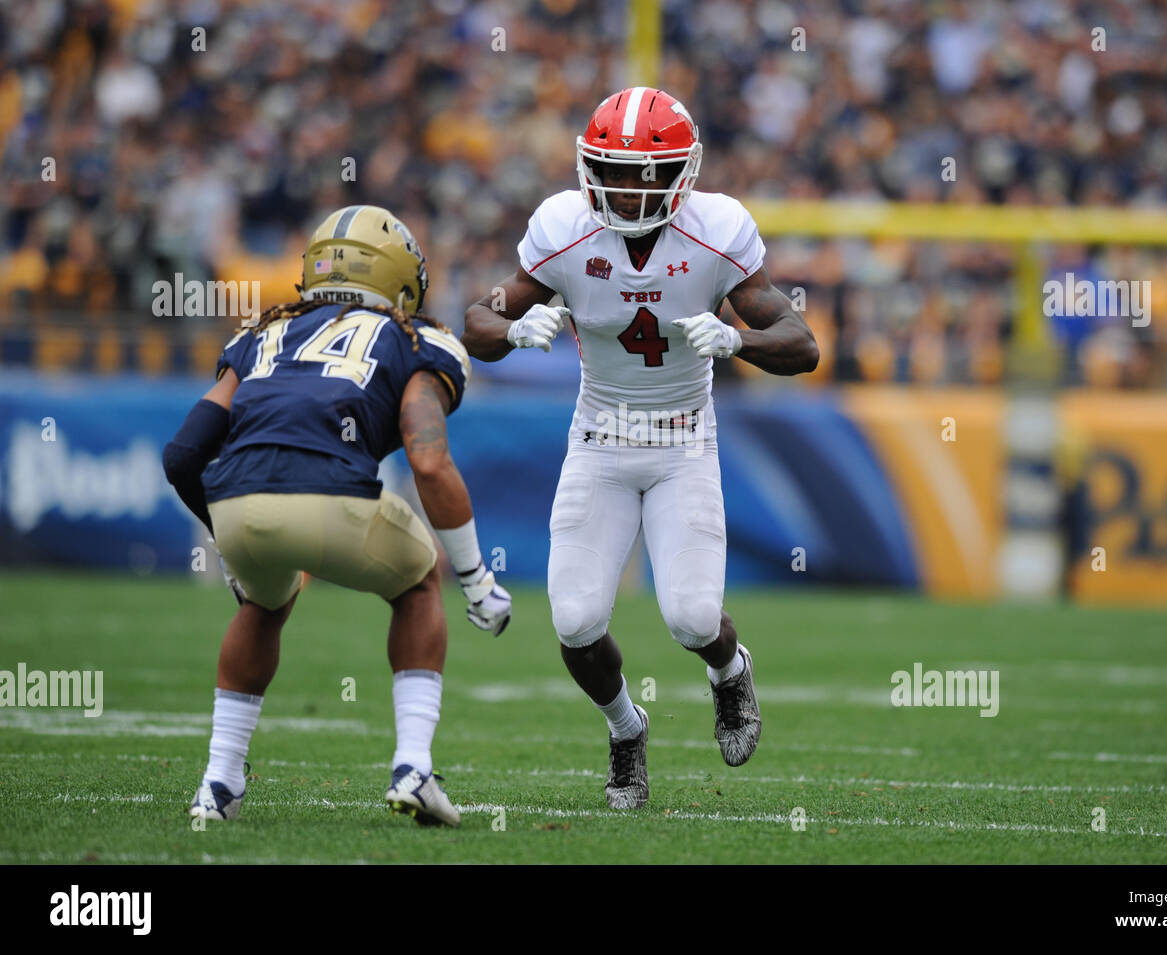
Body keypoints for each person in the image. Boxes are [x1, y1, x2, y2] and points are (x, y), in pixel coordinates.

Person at [462, 88, 818, 809]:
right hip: (599, 438)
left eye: (642, 173)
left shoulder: (718, 230)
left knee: (691, 615)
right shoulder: (564, 227)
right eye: (611, 170)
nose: (625, 189)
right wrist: (510, 333)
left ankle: (728, 672)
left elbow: (803, 345)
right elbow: (476, 319)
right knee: (575, 620)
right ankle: (627, 730)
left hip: (685, 439)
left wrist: (738, 340)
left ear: (681, 174)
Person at [162, 204, 511, 828]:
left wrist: (225, 539)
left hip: (240, 503)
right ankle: (413, 766)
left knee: (264, 606)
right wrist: (477, 581)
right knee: (418, 581)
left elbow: (185, 453)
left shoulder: (262, 334)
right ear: (399, 277)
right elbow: (428, 462)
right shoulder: (416, 338)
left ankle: (217, 784)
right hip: (333, 496)